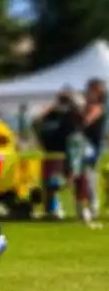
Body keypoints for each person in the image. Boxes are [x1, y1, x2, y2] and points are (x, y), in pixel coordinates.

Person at [34, 89, 80, 219]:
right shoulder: (51, 114)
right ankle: (52, 209)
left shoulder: (72, 115)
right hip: (51, 152)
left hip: (63, 153)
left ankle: (77, 209)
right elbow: (36, 123)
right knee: (51, 183)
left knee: (65, 182)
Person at [76, 78, 105, 224]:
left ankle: (93, 204)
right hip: (83, 144)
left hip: (92, 145)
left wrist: (80, 109)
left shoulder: (98, 106)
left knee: (89, 174)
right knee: (81, 174)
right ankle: (84, 205)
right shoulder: (88, 105)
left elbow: (87, 120)